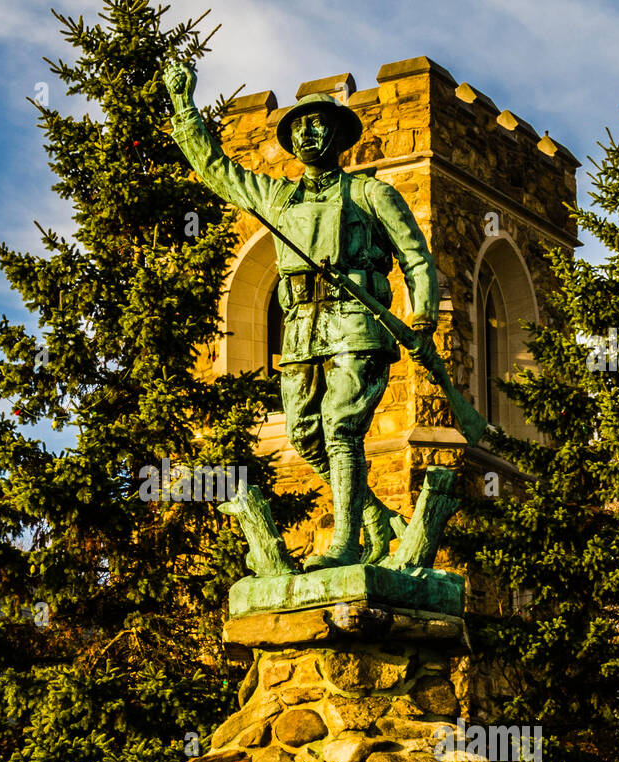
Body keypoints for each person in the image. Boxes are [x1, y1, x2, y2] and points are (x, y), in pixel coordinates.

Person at [163, 61, 439, 569]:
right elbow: (217, 170)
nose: (308, 132)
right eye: (299, 126)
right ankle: (377, 520)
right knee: (304, 435)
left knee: (340, 429)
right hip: (299, 328)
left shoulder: (370, 193)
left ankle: (346, 545)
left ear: (338, 135)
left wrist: (421, 317)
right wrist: (184, 109)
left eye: (318, 123)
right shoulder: (277, 196)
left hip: (357, 321)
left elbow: (416, 258)